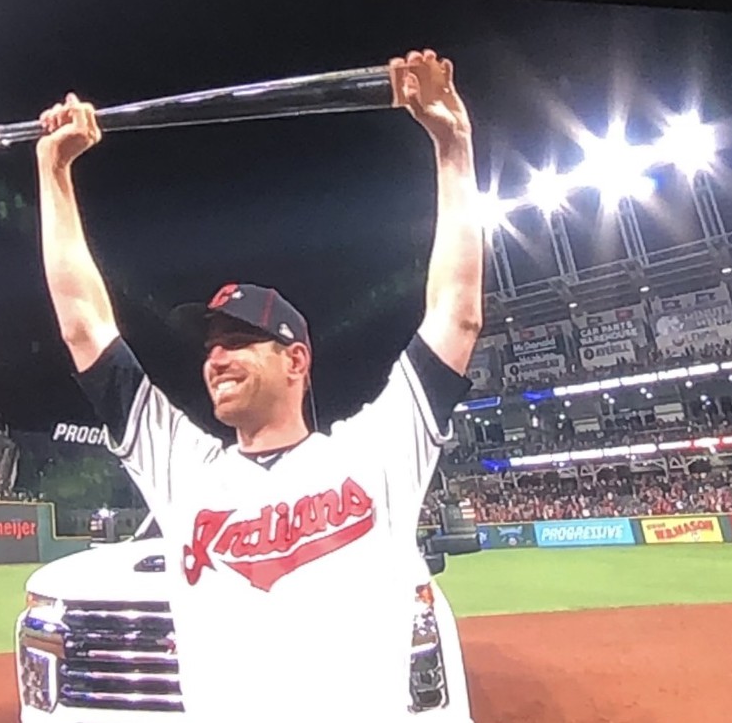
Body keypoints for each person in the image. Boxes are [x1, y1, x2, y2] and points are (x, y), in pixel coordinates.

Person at [35, 48, 482, 721]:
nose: (214, 358)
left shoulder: (378, 452)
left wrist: (453, 147)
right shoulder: (182, 469)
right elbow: (84, 327)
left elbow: (457, 312)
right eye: (209, 346)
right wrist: (53, 172)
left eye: (238, 341)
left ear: (295, 360)